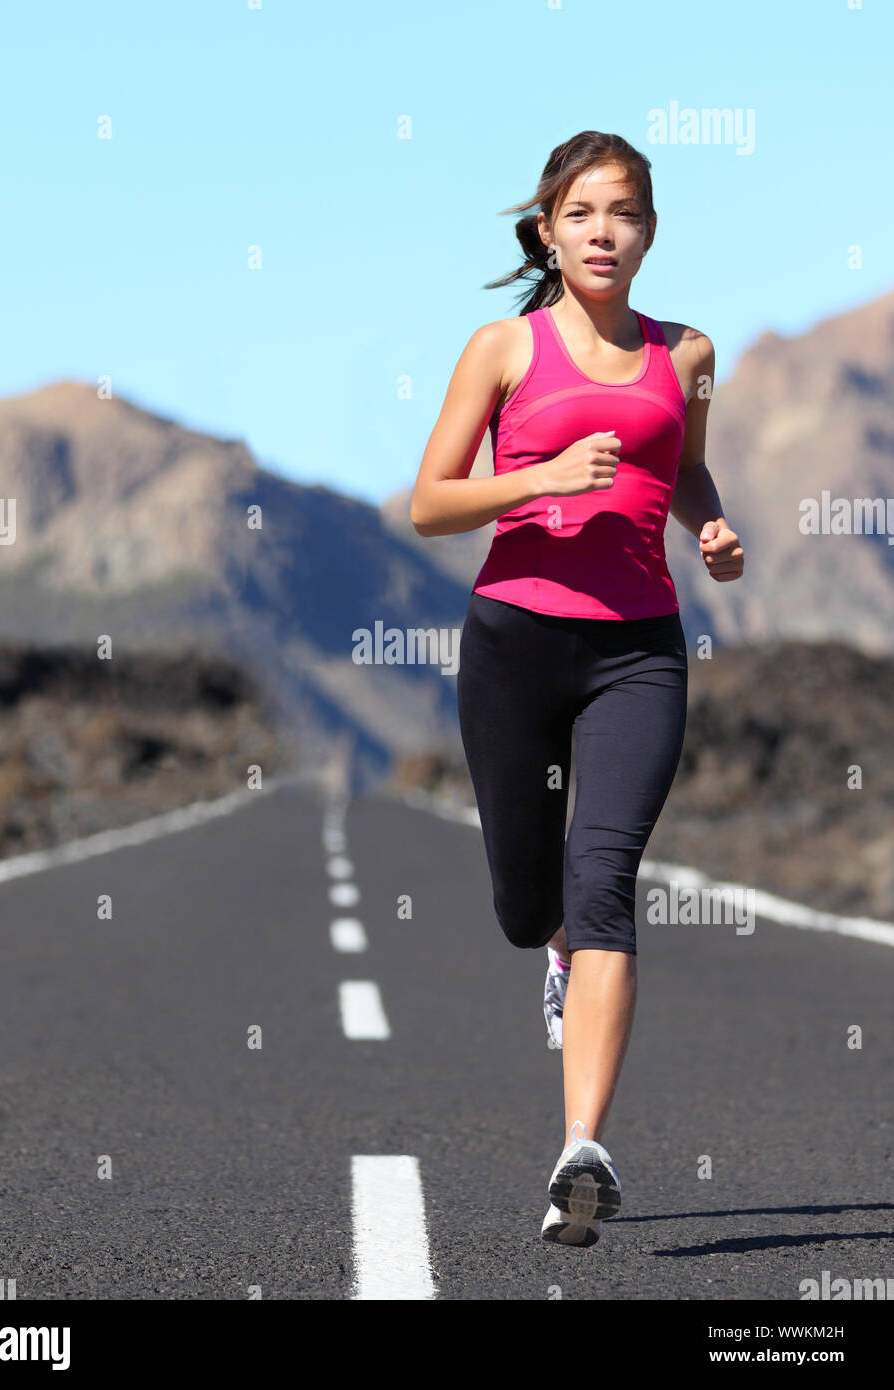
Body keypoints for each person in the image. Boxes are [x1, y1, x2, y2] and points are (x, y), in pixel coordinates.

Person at [410, 131, 744, 1247]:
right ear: (548, 230)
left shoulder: (687, 351)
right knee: (526, 901)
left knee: (606, 877)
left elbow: (682, 463)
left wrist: (713, 523)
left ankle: (580, 1149)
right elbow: (431, 502)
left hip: (639, 650)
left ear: (652, 230)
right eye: (586, 213)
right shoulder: (503, 348)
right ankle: (550, 951)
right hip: (514, 640)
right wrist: (540, 477)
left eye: (629, 214)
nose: (608, 233)